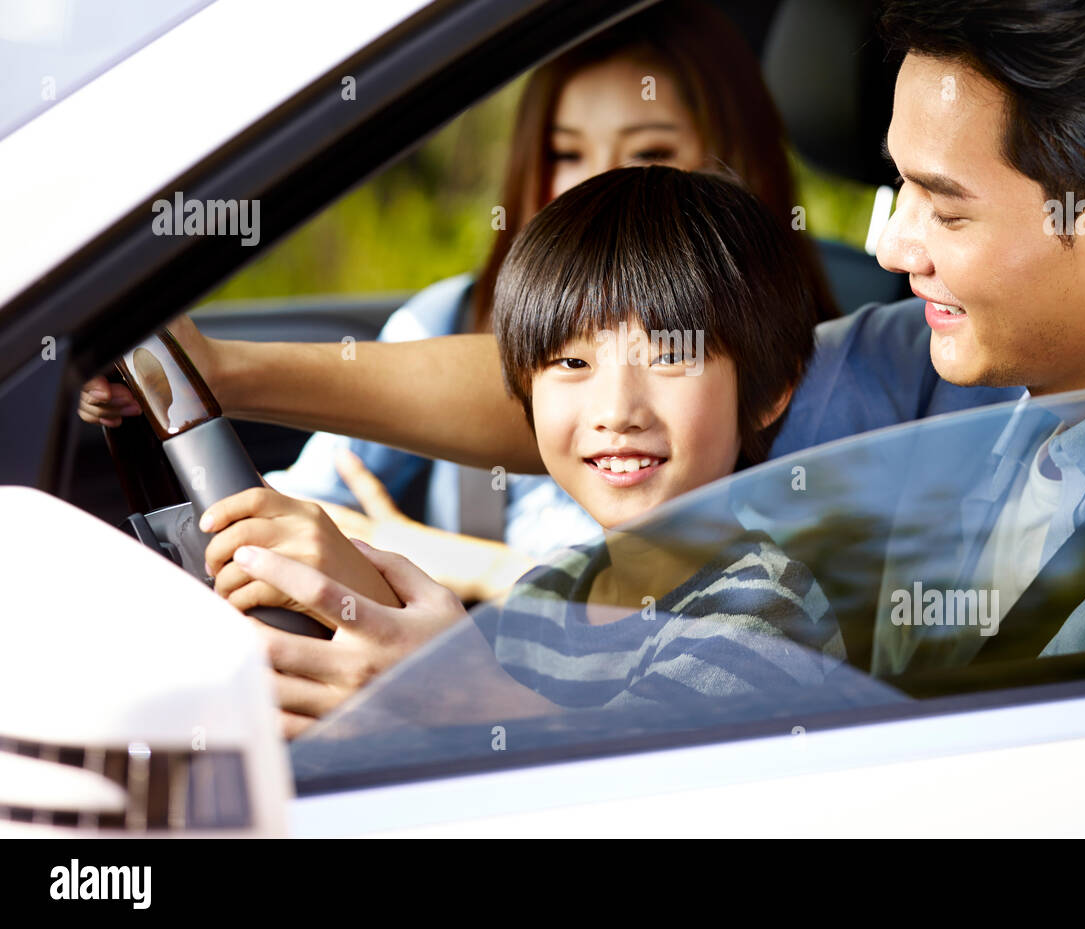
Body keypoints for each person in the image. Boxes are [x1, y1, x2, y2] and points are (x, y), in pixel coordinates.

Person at [82, 0, 1085, 710]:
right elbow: (615, 389)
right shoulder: (987, 363)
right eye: (893, 190)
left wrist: (463, 705)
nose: (900, 247)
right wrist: (221, 369)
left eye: (944, 206)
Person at [205, 166, 845, 734]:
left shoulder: (766, 616)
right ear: (524, 391)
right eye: (572, 361)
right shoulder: (554, 589)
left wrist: (468, 698)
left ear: (769, 393)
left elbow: (640, 796)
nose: (617, 411)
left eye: (671, 357)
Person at [262, 0, 839, 596]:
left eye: (648, 153)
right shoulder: (449, 318)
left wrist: (454, 565)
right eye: (567, 153)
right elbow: (311, 503)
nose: (599, 181)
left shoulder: (804, 383)